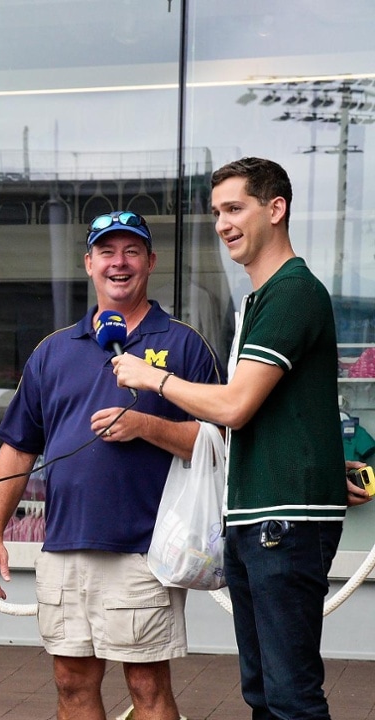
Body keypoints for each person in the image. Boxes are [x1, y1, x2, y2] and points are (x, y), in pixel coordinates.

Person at [113, 157, 372, 720]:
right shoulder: (262, 298)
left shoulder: (291, 292)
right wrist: (330, 466)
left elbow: (234, 406)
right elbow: (293, 410)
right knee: (264, 694)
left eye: (235, 208)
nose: (222, 223)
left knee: (290, 697)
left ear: (275, 209)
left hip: (280, 522)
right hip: (260, 515)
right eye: (216, 213)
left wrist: (152, 377)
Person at [0, 211, 225, 720]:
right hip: (64, 545)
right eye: (107, 252)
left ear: (151, 262)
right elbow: (18, 447)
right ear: (88, 263)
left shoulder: (183, 343)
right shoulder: (52, 350)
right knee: (71, 683)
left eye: (132, 251)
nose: (120, 263)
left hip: (144, 549)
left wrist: (146, 426)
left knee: (147, 685)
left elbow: (218, 442)